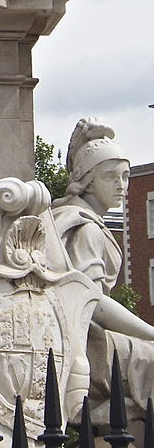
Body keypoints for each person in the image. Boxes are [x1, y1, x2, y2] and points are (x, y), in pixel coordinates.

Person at [52, 118, 154, 423]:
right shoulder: (87, 228)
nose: (121, 185)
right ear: (87, 180)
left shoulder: (78, 219)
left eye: (124, 176)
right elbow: (92, 302)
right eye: (111, 177)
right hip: (89, 344)